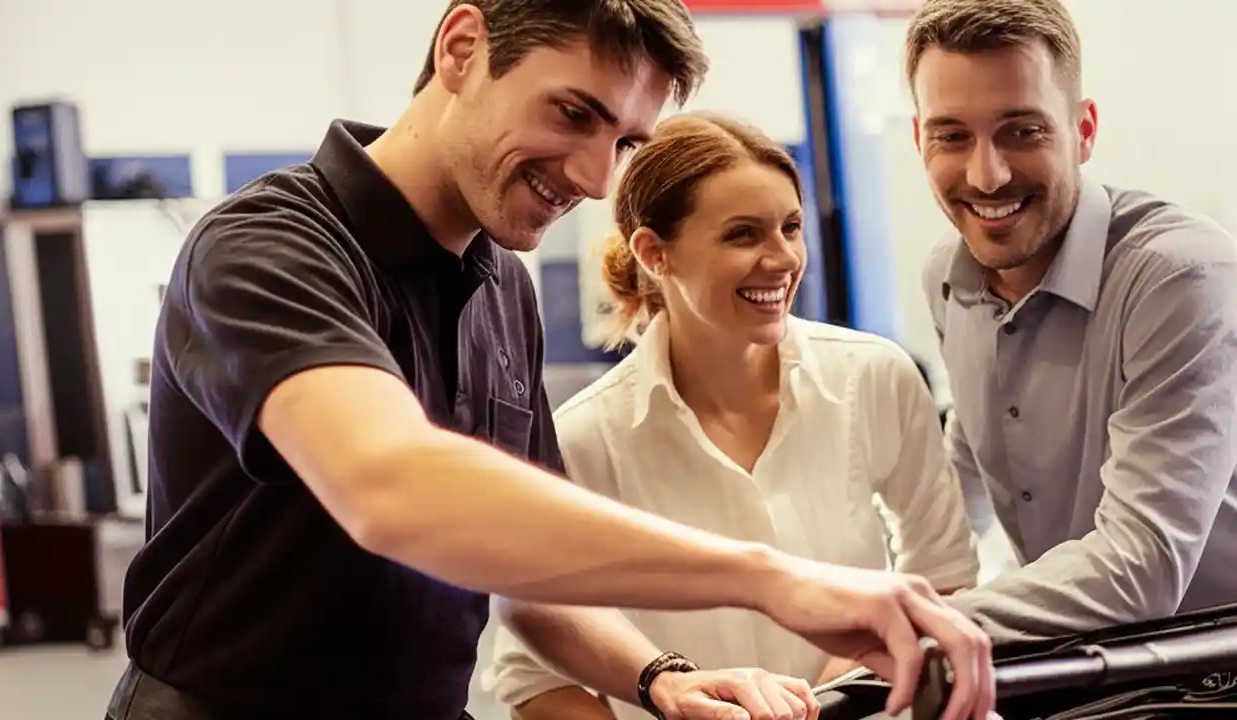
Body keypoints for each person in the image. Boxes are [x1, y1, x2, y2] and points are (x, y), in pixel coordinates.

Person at [106, 2, 997, 719]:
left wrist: (662, 677)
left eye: (622, 142)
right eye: (573, 114)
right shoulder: (270, 248)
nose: (595, 176)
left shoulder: (500, 286)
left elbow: (524, 577)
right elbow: (390, 487)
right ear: (462, 47)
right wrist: (773, 579)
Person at [482, 112, 981, 720]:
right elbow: (533, 678)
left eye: (790, 227)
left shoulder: (873, 376)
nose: (781, 259)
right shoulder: (587, 438)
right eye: (742, 235)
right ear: (654, 253)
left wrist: (835, 690)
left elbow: (944, 573)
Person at [906, 0, 1237, 642]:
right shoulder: (947, 275)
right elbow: (971, 461)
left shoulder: (1177, 276)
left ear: (1083, 131)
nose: (987, 174)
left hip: (1209, 670)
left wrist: (908, 623)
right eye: (953, 136)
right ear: (921, 137)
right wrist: (904, 583)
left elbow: (1141, 568)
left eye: (1021, 131)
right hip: (1084, 663)